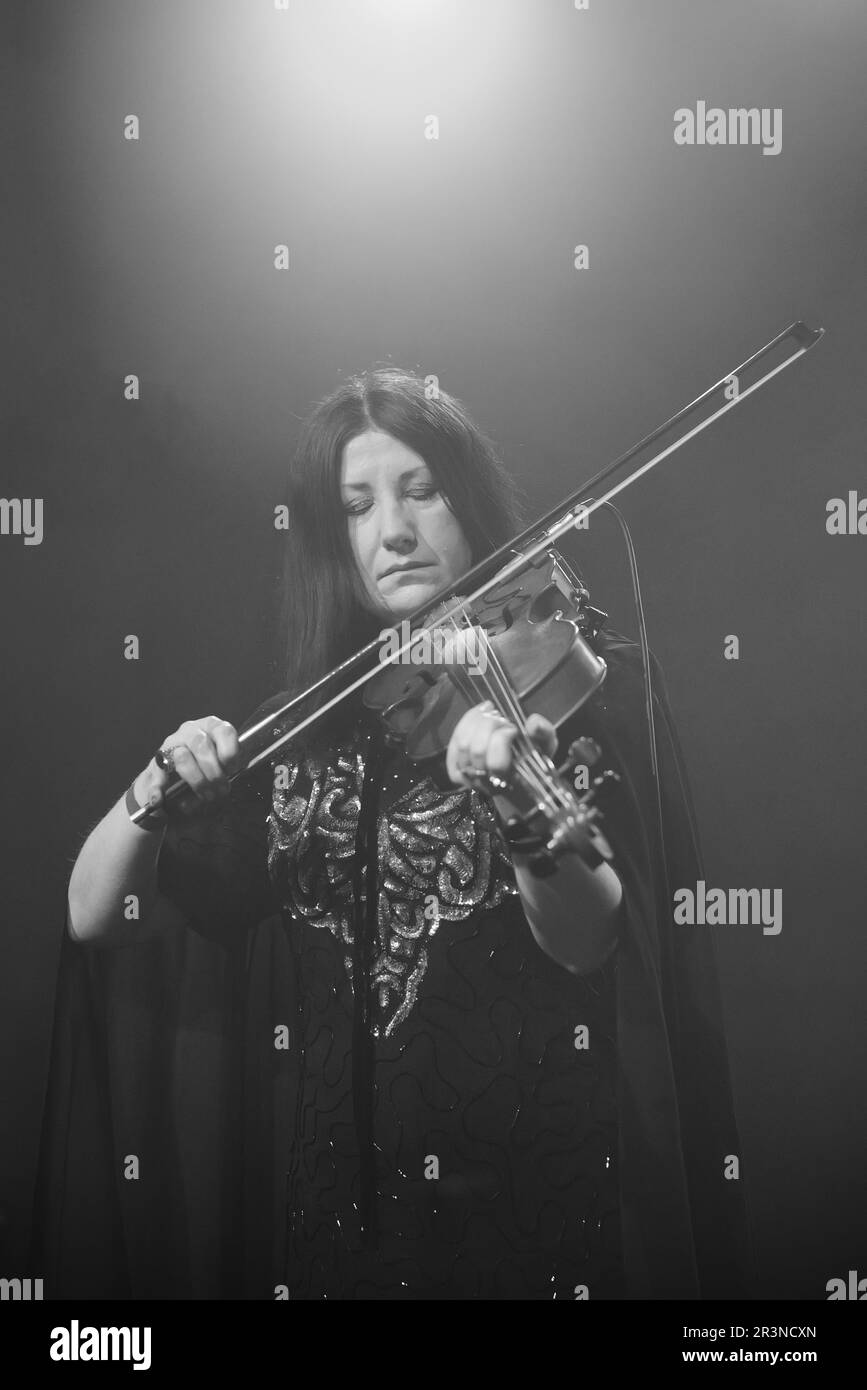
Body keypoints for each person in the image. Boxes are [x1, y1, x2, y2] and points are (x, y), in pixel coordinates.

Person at [33, 368, 755, 1301]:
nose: (395, 531)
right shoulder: (302, 732)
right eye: (357, 506)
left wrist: (512, 790)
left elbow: (591, 938)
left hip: (538, 1210)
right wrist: (154, 787)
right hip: (341, 1225)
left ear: (469, 500)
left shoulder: (577, 683)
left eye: (421, 490)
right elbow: (95, 912)